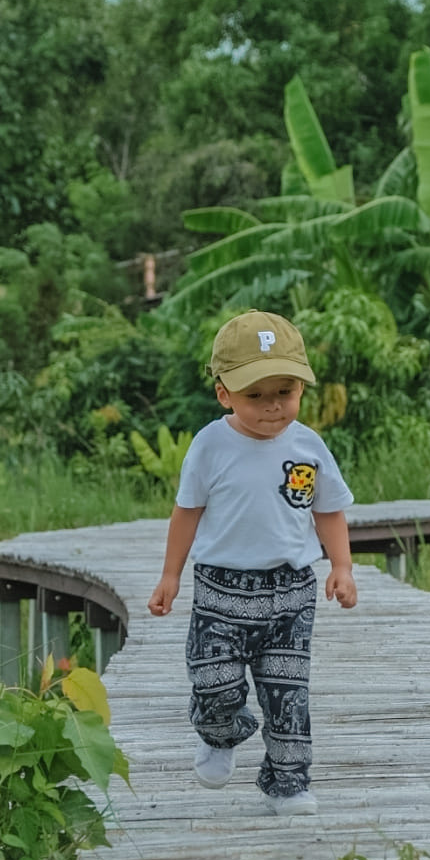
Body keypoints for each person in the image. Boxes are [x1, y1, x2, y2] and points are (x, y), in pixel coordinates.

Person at [146, 310, 357, 816]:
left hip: (292, 592)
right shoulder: (210, 446)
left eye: (284, 392)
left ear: (301, 389)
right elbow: (187, 512)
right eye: (255, 395)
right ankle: (220, 733)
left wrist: (342, 567)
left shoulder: (309, 445)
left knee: (288, 691)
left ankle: (288, 782)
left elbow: (329, 509)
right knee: (213, 680)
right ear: (224, 393)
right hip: (221, 590)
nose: (272, 408)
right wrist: (170, 575)